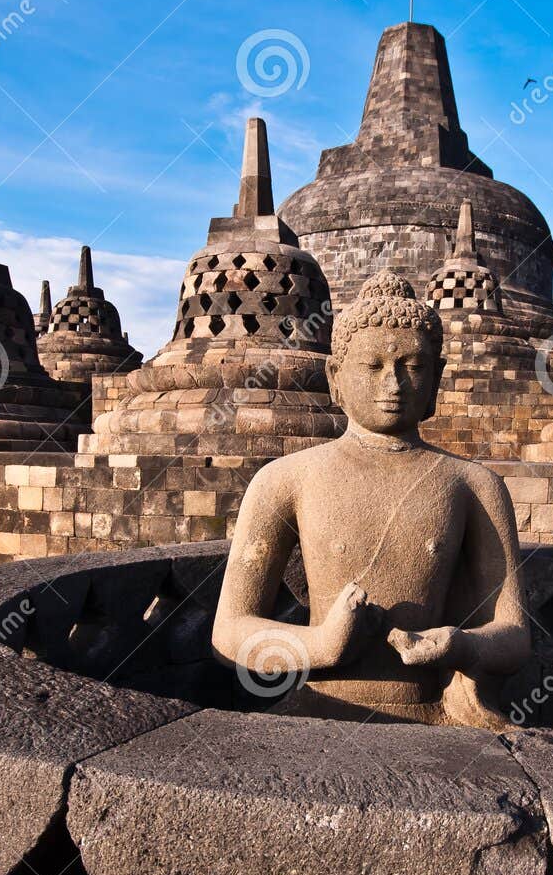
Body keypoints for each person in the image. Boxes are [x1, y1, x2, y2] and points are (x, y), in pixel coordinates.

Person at [211, 271, 531, 727]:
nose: (394, 384)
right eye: (373, 366)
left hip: (437, 722)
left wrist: (461, 645)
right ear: (335, 377)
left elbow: (515, 637)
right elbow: (229, 632)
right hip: (317, 716)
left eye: (413, 366)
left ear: (437, 378)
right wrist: (322, 645)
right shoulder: (284, 480)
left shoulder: (474, 484)